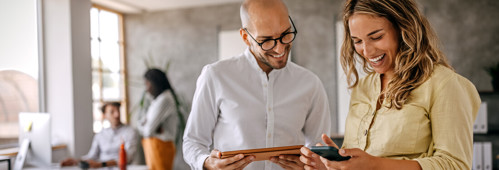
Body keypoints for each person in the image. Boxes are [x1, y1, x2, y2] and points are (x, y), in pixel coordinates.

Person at [300, 0, 481, 169]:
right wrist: (334, 164)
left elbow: (454, 164)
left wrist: (375, 165)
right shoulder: (362, 87)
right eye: (357, 41)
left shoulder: (445, 85)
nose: (367, 51)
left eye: (376, 37)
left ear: (403, 28)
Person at [182, 0, 331, 169]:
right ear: (246, 37)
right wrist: (207, 163)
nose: (280, 49)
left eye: (286, 34)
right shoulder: (215, 76)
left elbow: (319, 148)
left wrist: (313, 164)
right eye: (266, 40)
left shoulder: (310, 84)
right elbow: (192, 142)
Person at [61, 102, 138, 168]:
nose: (117, 115)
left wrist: (101, 164)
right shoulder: (100, 135)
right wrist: (76, 161)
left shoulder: (130, 132)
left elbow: (127, 158)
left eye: (118, 111)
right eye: (112, 112)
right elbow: (91, 156)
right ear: (105, 115)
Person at [136, 68, 178, 170]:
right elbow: (142, 124)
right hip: (155, 147)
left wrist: (145, 126)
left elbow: (147, 131)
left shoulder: (165, 99)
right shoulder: (157, 100)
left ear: (155, 82)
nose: (146, 89)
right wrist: (150, 127)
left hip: (161, 147)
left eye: (147, 84)